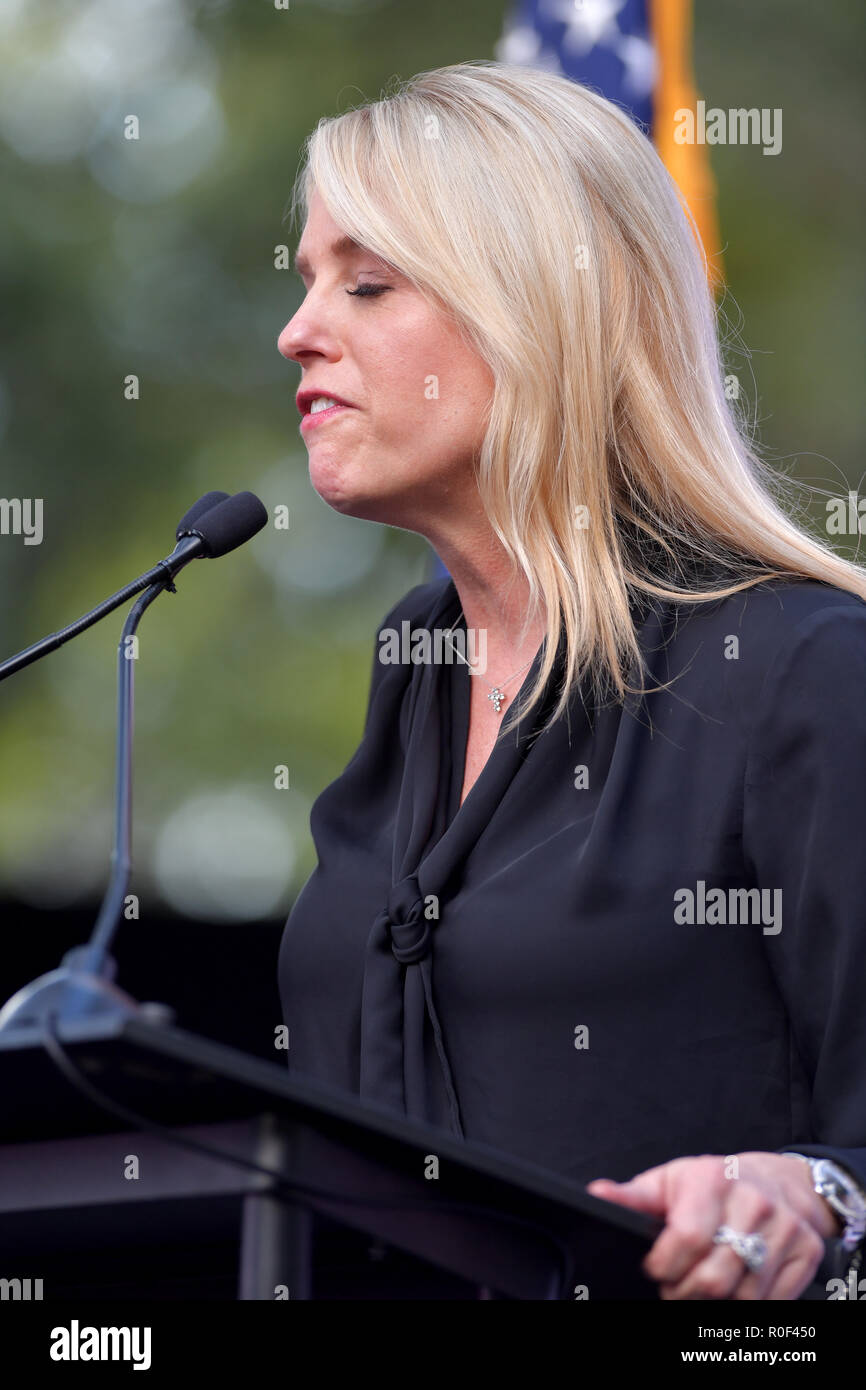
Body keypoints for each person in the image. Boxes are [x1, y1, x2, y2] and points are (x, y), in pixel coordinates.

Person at [276, 61, 866, 1301]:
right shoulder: (412, 679)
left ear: (536, 308)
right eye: (308, 280)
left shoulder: (802, 671)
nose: (298, 332)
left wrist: (811, 1193)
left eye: (366, 282)